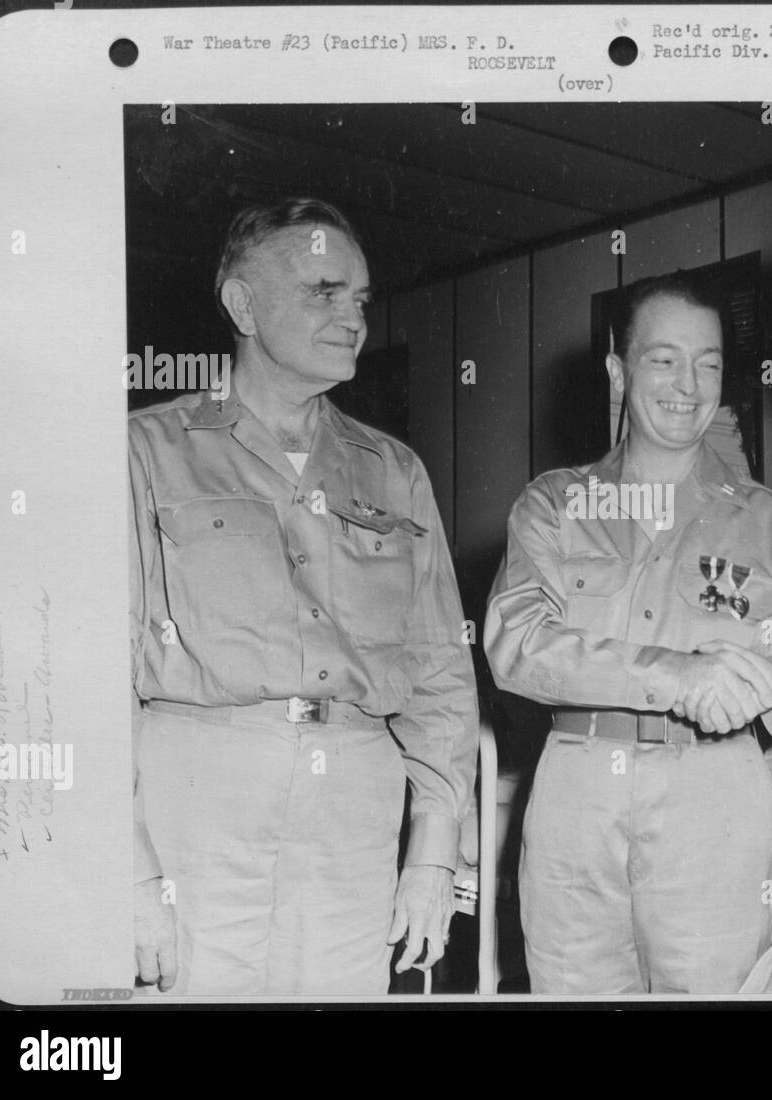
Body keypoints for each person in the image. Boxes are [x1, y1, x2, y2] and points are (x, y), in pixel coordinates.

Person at [129, 198, 478, 995]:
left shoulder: (393, 470)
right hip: (198, 794)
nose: (352, 316)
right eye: (323, 291)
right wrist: (129, 868)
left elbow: (439, 677)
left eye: (358, 298)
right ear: (242, 305)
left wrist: (432, 850)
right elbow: (93, 679)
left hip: (354, 806)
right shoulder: (147, 452)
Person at [484, 273, 772, 994]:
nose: (688, 385)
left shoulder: (771, 523)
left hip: (716, 797)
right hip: (577, 794)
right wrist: (677, 675)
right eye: (664, 360)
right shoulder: (556, 504)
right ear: (619, 370)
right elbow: (516, 645)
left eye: (708, 363)